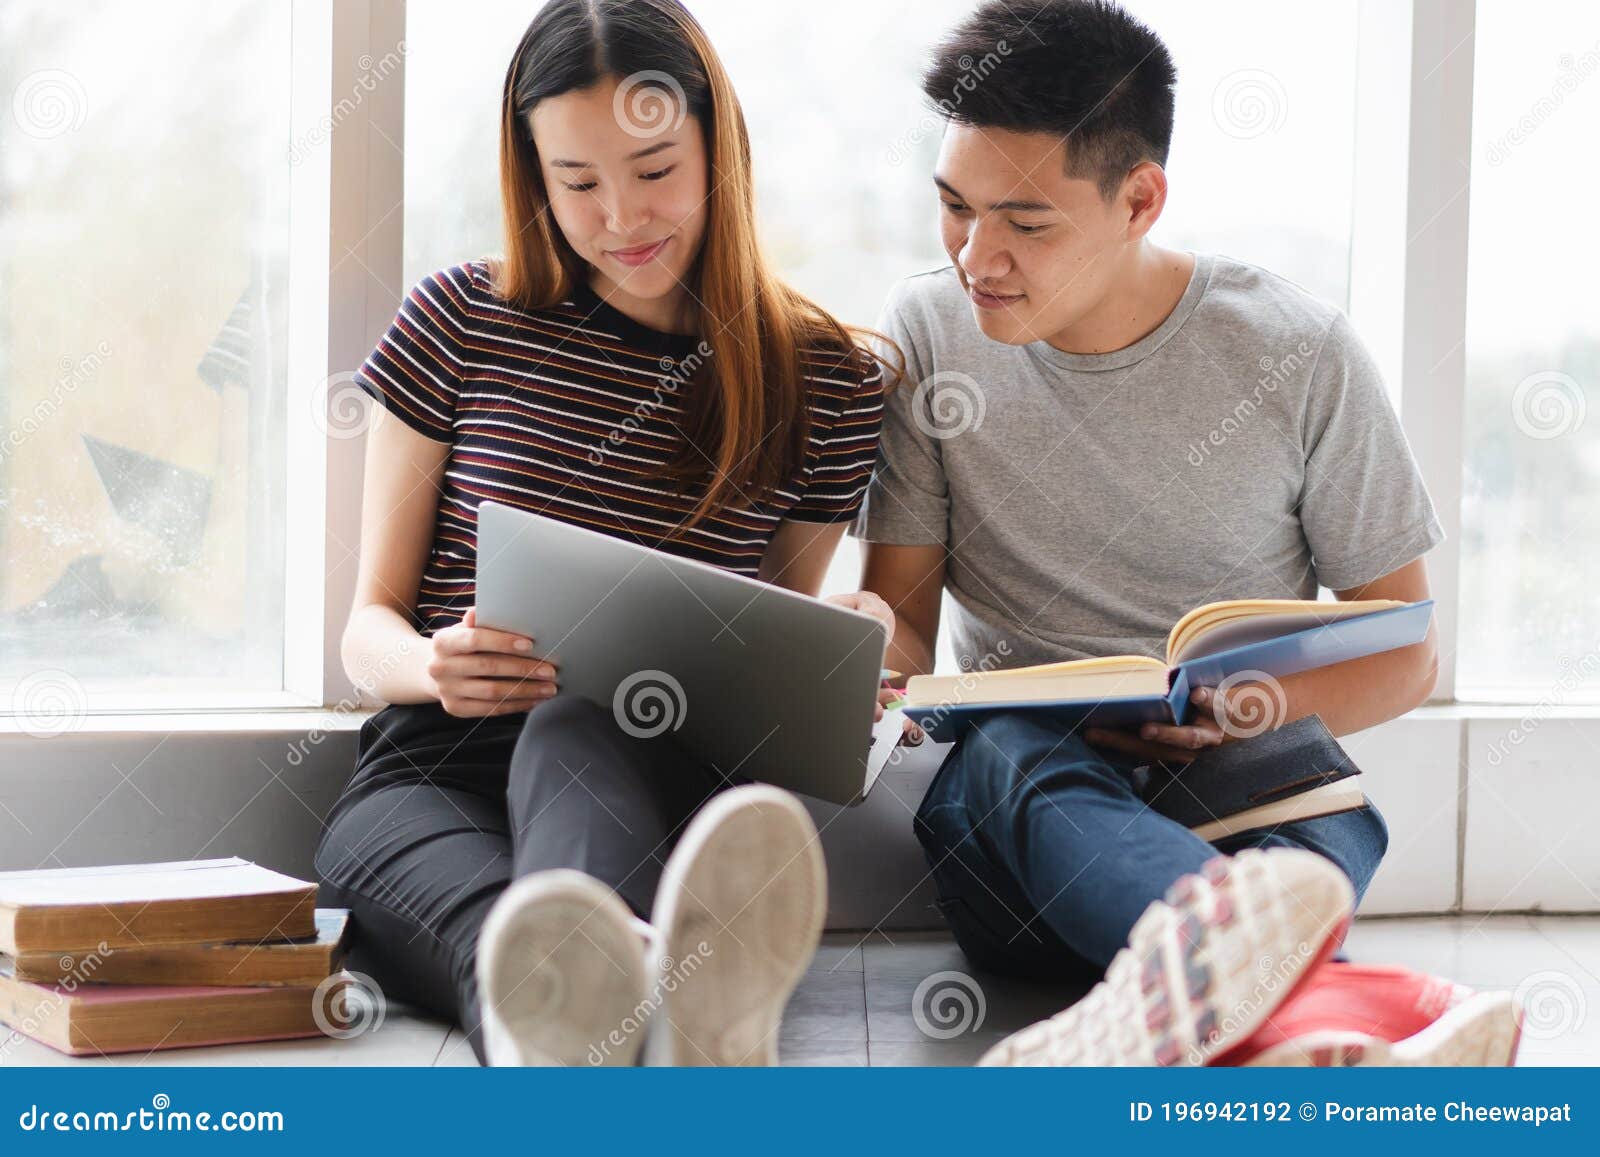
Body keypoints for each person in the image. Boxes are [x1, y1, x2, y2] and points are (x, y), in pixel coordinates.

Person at [853, 0, 1521, 1067]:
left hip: (1247, 792)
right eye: (954, 209)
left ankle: (1217, 1016)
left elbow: (1403, 644)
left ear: (1139, 199)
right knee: (1012, 752)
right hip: (1022, 834)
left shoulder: (1296, 352)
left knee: (1309, 817)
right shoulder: (931, 331)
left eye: (1025, 223)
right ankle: (1338, 1005)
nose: (978, 256)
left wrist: (1242, 710)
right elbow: (905, 644)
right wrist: (855, 646)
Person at [315, 0, 894, 1067]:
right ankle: (648, 1020)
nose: (621, 213)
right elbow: (367, 630)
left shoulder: (827, 377)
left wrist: (842, 646)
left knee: (579, 722)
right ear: (531, 175)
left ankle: (616, 1008)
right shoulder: (456, 320)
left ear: (718, 145)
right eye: (576, 182)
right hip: (434, 772)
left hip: (659, 778)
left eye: (655, 167)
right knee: (511, 947)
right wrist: (434, 662)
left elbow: (772, 647)